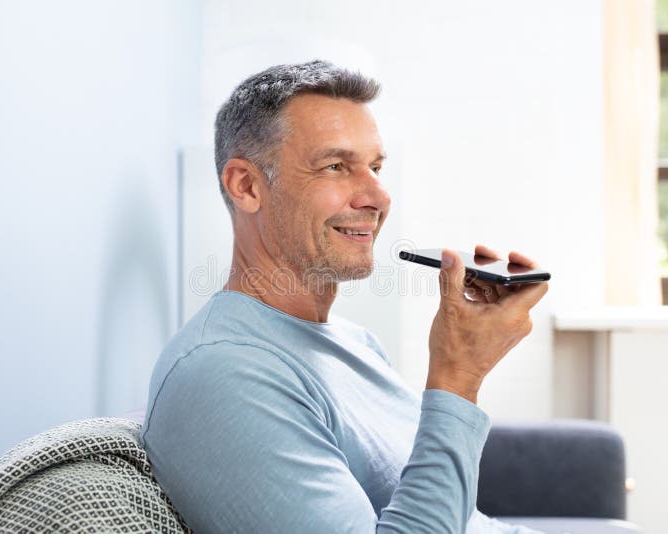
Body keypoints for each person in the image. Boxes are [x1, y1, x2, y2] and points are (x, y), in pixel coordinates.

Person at [140, 60, 548, 533]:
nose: (377, 196)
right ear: (247, 186)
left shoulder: (354, 342)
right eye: (336, 167)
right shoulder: (222, 373)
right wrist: (458, 375)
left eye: (375, 167)